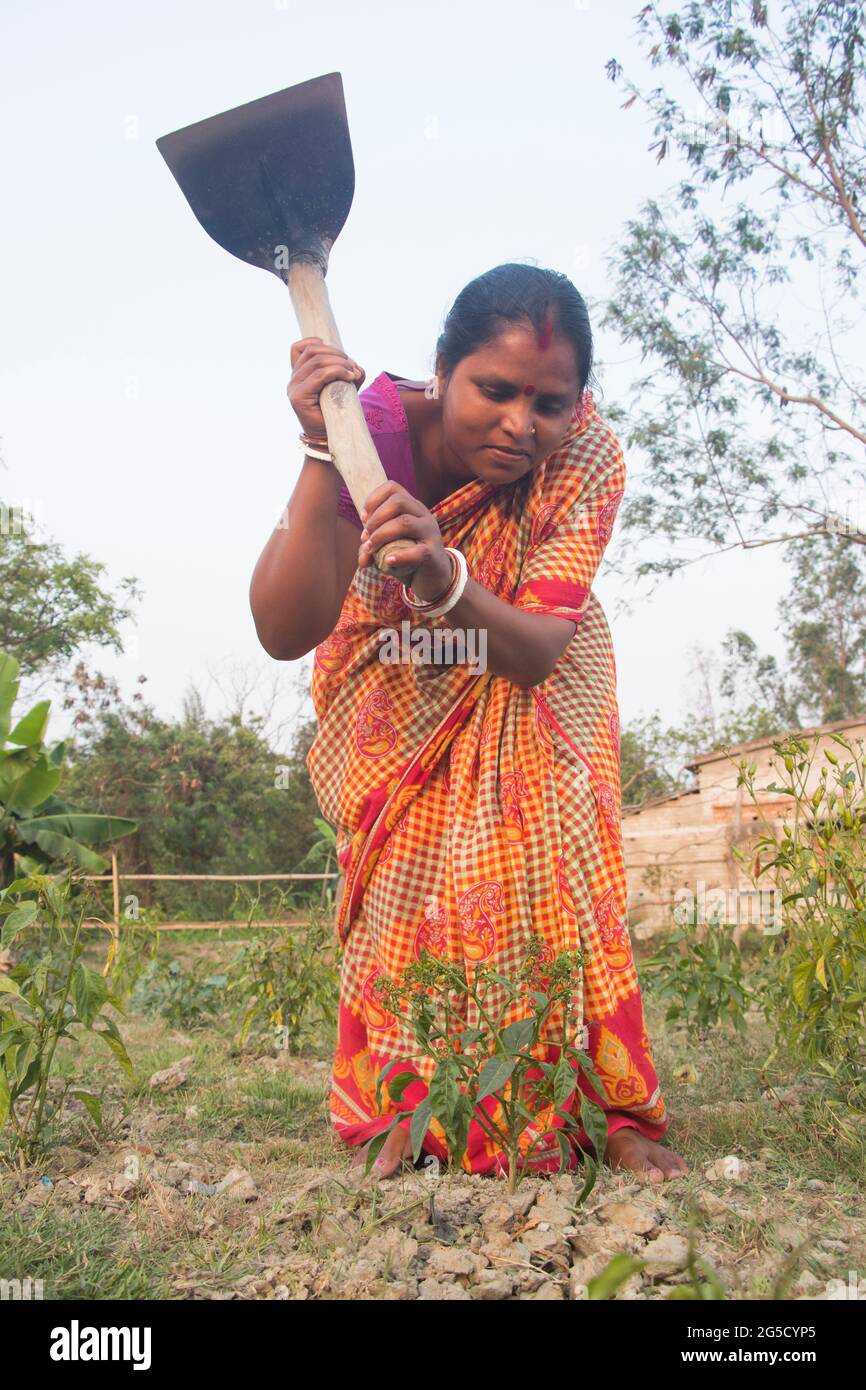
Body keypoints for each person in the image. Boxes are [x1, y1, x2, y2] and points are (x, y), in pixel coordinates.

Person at [249, 263, 689, 1185]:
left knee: (561, 838)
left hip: (528, 650)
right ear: (441, 371)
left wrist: (447, 581)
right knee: (409, 872)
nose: (522, 425)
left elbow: (533, 649)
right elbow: (285, 628)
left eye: (550, 402)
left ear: (581, 402)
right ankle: (410, 1110)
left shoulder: (587, 457)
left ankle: (604, 1108)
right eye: (494, 390)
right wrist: (319, 450)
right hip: (397, 670)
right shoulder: (367, 433)